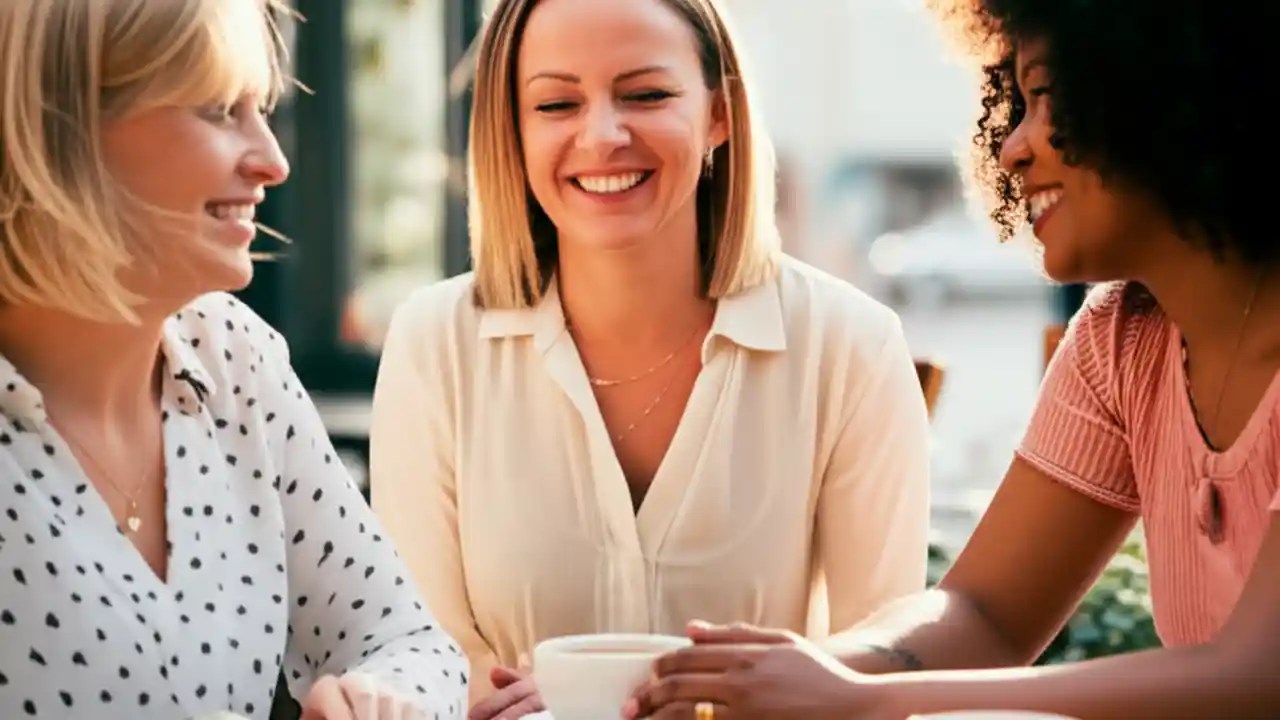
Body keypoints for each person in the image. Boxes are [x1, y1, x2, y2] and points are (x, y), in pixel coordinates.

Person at [625, 0, 1280, 718]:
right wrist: (743, 677)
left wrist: (863, 702)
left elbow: (1255, 674)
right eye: (1017, 104)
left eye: (1049, 98)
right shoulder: (1122, 343)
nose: (1012, 148)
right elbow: (982, 613)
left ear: (1177, 90)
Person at [368, 0, 932, 717]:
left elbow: (879, 663)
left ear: (719, 116)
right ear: (512, 130)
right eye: (556, 103)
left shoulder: (851, 346)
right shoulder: (434, 343)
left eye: (647, 94)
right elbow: (426, 654)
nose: (601, 135)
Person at [0, 1, 468, 718]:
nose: (272, 161)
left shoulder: (236, 360)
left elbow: (407, 639)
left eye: (262, 109)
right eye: (220, 109)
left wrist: (380, 702)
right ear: (60, 128)